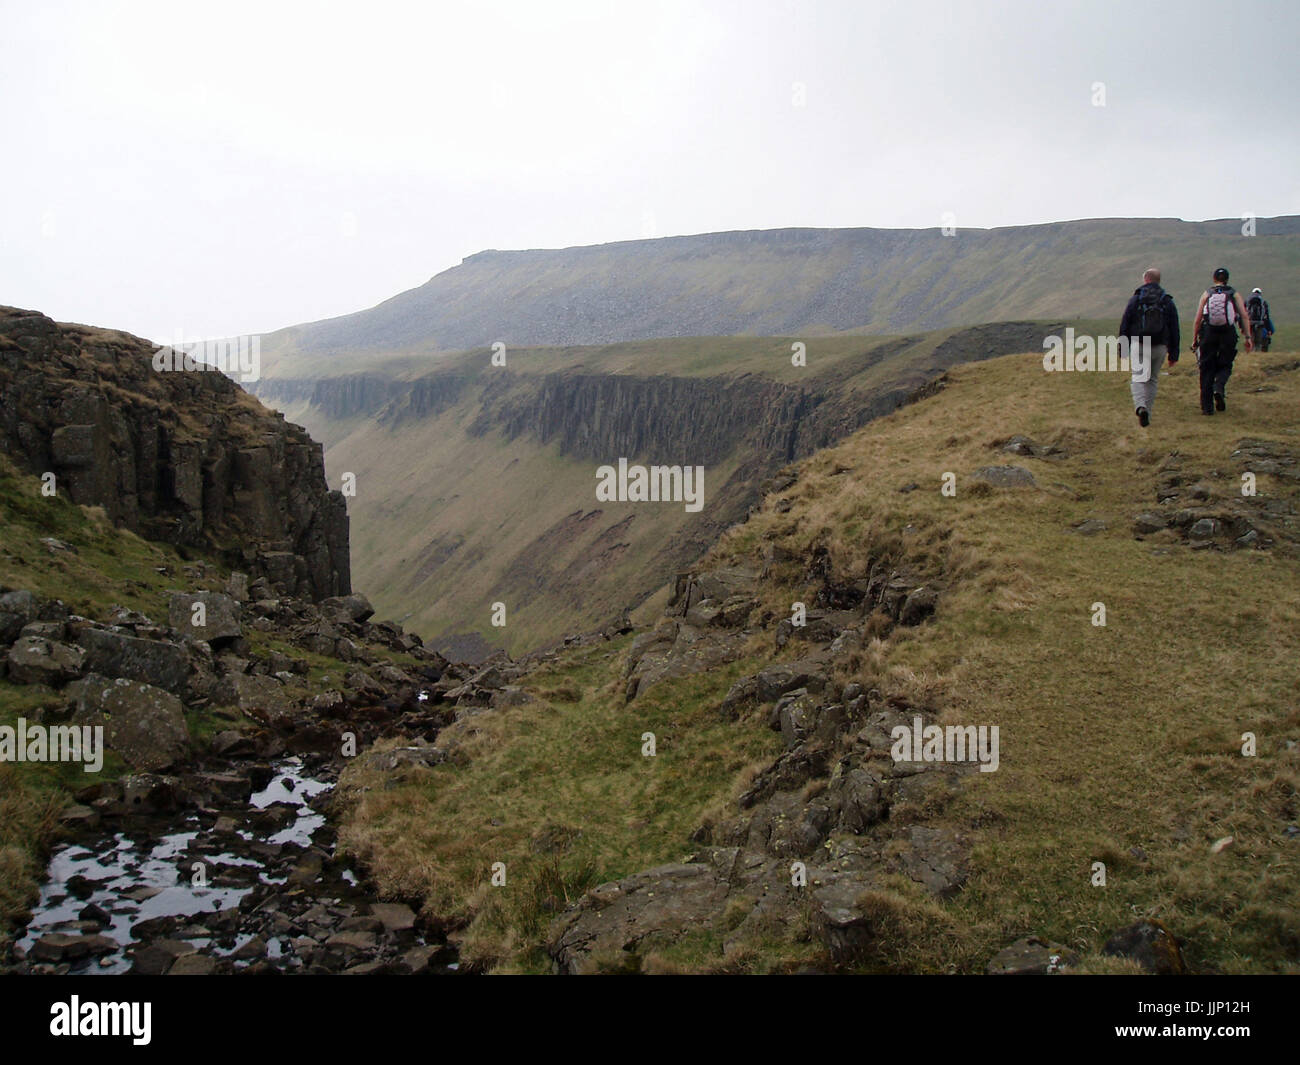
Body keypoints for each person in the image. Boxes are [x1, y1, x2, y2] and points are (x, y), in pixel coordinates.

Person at [1118, 267, 1180, 427]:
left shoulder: (1137, 299)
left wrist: (1122, 348)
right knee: (1152, 379)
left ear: (1145, 279)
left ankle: (1140, 407)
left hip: (1139, 343)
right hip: (1160, 346)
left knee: (1138, 378)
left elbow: (1125, 323)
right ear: (1158, 280)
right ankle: (1148, 413)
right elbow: (1175, 328)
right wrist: (1174, 354)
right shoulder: (1167, 300)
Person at [1191, 267, 1253, 415]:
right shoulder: (1233, 293)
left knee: (1206, 368)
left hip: (1208, 333)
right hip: (1228, 333)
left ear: (1214, 279)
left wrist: (1195, 339)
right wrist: (1248, 337)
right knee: (1225, 363)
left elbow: (1198, 318)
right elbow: (1244, 315)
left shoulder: (1207, 293)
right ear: (1227, 279)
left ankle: (1207, 408)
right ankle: (1219, 387)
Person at [1245, 287, 1274, 352]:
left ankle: (1251, 354)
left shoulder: (1247, 301)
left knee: (1251, 339)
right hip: (1260, 323)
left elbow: (1243, 313)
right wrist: (1268, 328)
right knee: (1258, 341)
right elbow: (1266, 317)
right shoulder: (1263, 302)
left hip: (1249, 323)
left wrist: (1242, 326)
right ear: (1260, 293)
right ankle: (1257, 353)